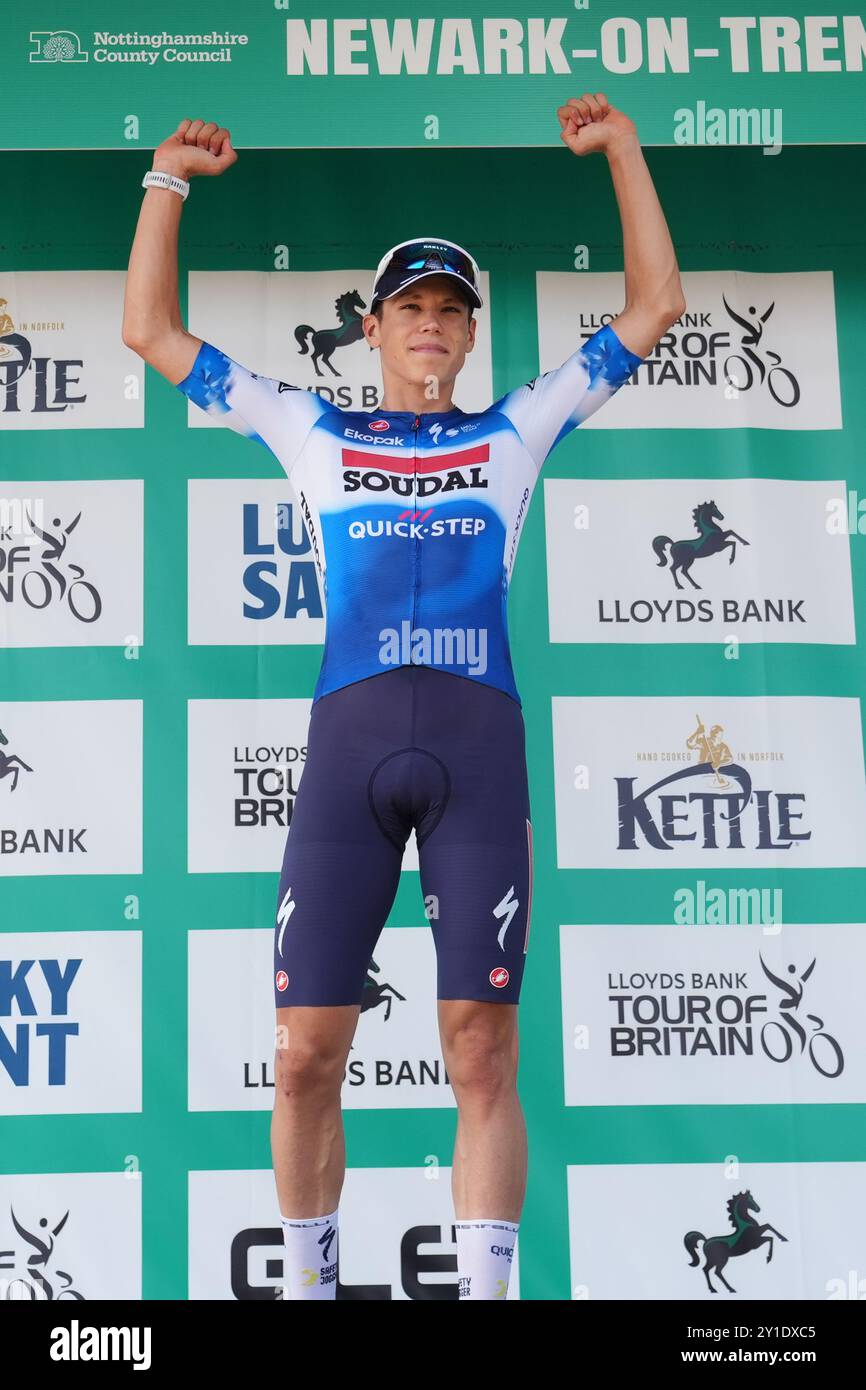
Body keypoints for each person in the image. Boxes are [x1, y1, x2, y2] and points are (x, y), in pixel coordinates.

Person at [122, 94, 685, 1301]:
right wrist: (164, 183)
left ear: (469, 337)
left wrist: (626, 152)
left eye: (451, 311)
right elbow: (148, 328)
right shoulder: (308, 424)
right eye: (411, 307)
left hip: (477, 751)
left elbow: (653, 311)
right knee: (301, 1057)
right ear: (373, 327)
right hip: (350, 754)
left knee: (481, 1048)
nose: (431, 325)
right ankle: (312, 1288)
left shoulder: (517, 428)